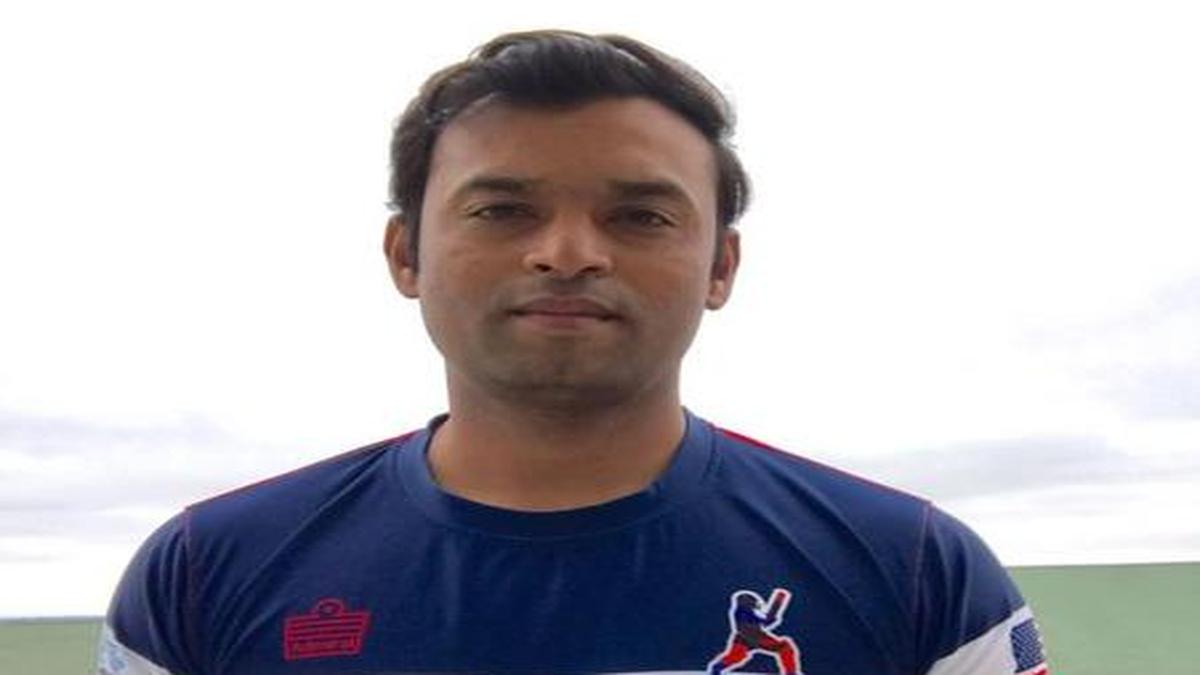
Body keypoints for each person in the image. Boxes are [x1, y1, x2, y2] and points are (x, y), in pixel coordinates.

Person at [97, 29, 1050, 675]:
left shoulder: (915, 571)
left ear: (720, 266)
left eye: (639, 215)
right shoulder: (201, 575)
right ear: (405, 254)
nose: (567, 252)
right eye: (502, 209)